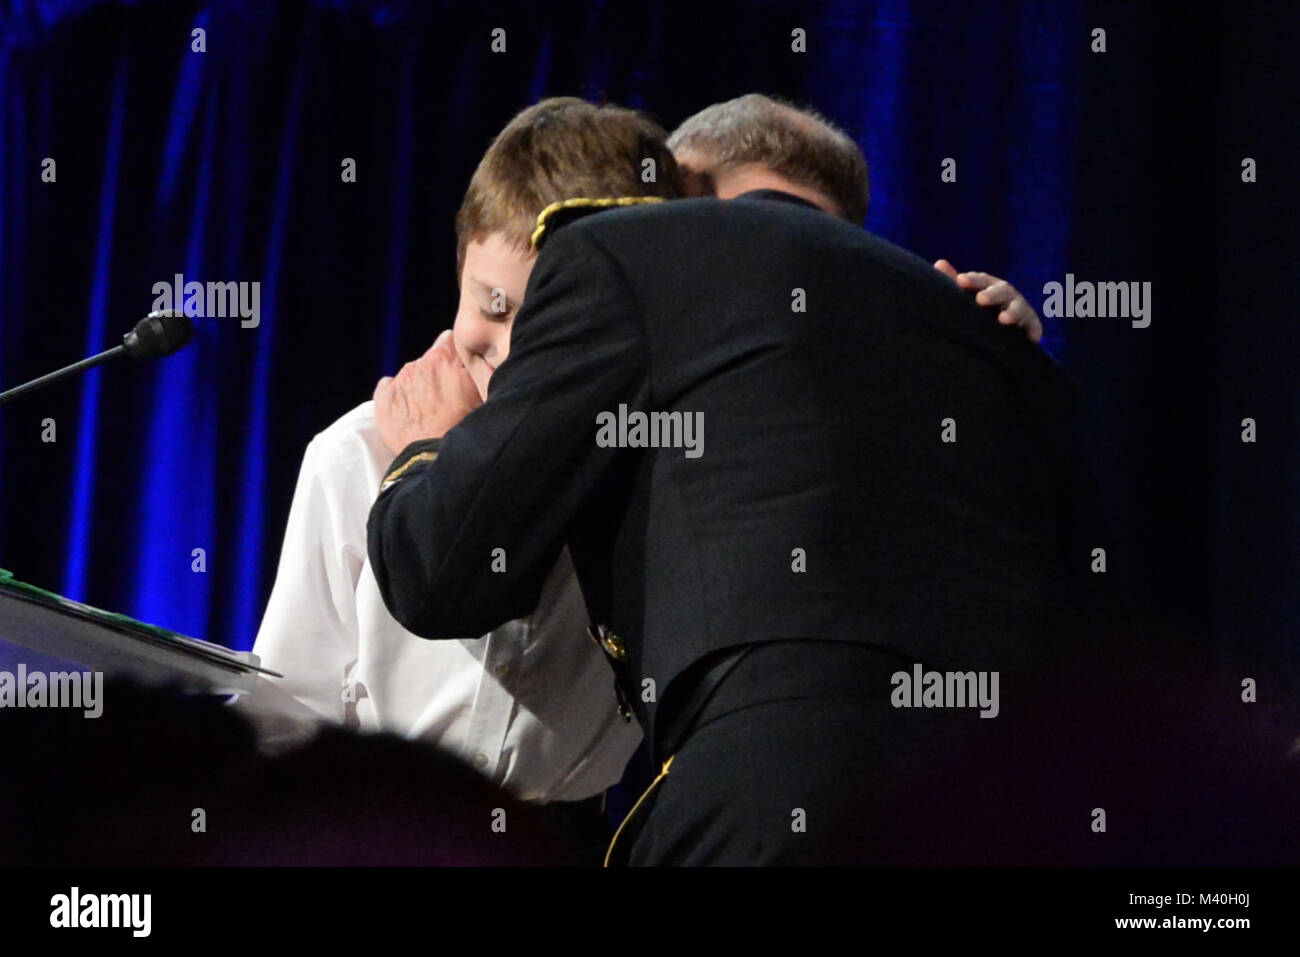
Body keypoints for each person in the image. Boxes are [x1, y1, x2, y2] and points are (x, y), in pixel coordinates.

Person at [366, 94, 1083, 864]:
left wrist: (423, 451)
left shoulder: (630, 250)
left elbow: (441, 570)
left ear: (674, 186)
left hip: (778, 798)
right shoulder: (989, 334)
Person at [243, 101, 685, 857]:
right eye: (490, 305)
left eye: (545, 320)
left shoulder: (653, 465)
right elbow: (288, 709)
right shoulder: (355, 454)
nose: (509, 351)